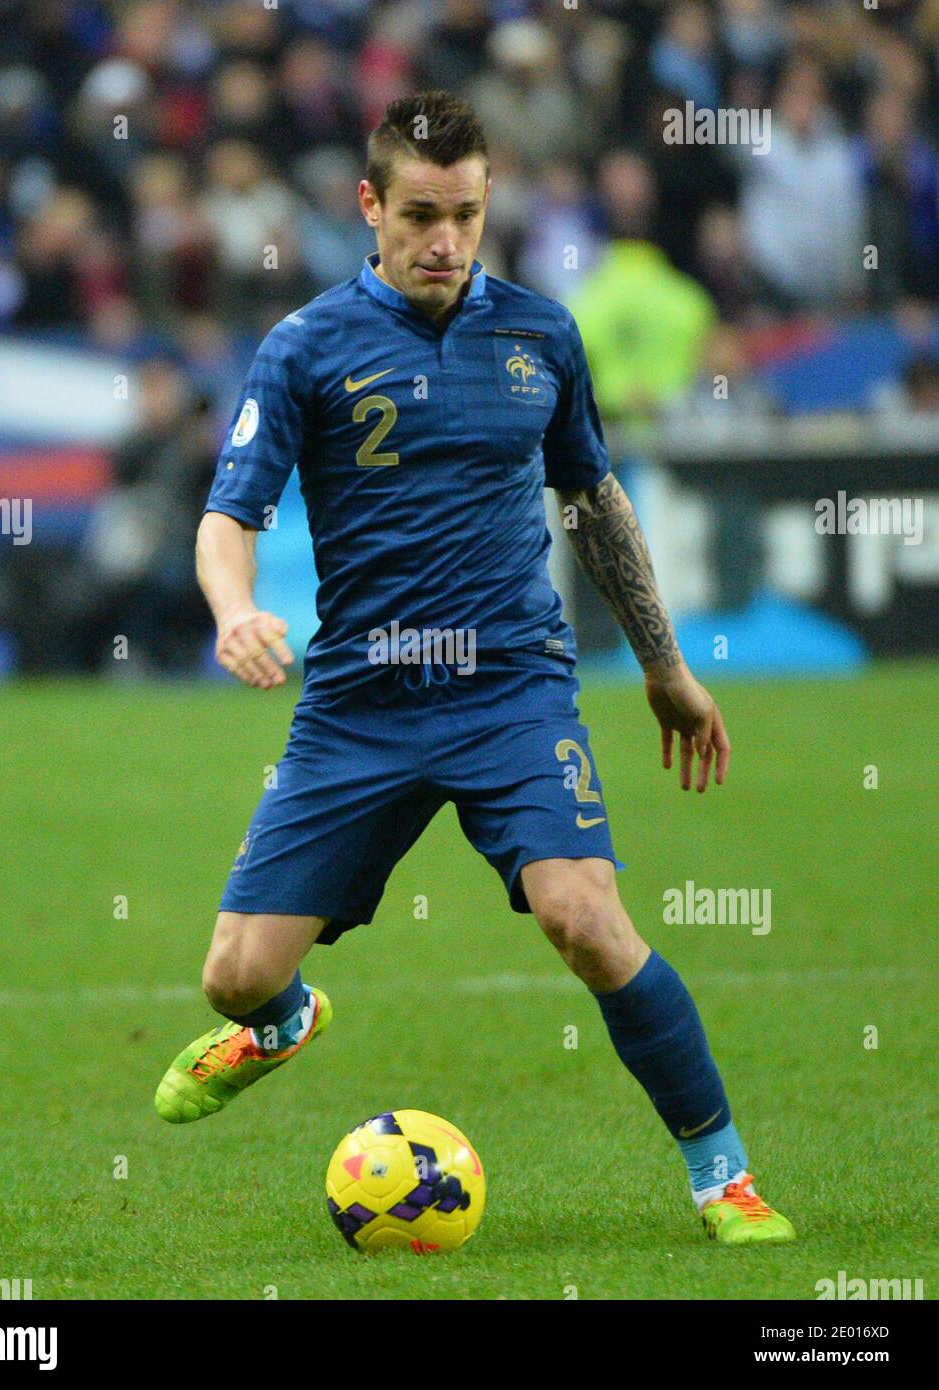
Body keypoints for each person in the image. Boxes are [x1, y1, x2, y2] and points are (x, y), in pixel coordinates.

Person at [154, 91, 794, 1246]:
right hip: (358, 702)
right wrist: (234, 608)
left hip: (510, 689)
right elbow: (227, 511)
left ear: (489, 203)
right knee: (233, 978)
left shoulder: (540, 334)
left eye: (464, 214)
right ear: (369, 207)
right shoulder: (302, 346)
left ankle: (725, 1176)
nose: (443, 242)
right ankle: (283, 1021)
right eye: (417, 217)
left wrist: (664, 665)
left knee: (587, 920)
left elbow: (592, 498)